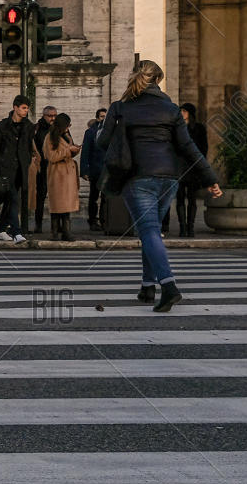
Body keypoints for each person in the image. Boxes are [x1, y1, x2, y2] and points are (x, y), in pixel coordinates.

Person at [94, 60, 223, 312]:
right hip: (169, 179)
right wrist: (210, 179)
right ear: (158, 80)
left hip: (138, 177)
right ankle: (147, 286)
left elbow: (103, 142)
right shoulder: (171, 109)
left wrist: (104, 131)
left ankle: (169, 286)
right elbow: (188, 147)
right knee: (149, 232)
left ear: (134, 77)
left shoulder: (120, 107)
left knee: (150, 230)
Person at [0, 95, 32, 244]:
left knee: (10, 200)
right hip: (5, 169)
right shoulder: (2, 126)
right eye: (24, 108)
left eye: (27, 108)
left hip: (21, 169)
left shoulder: (28, 126)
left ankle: (1, 228)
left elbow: (29, 147)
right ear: (15, 107)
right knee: (13, 198)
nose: (26, 111)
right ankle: (16, 231)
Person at [44, 112, 82, 241]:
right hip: (57, 175)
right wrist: (68, 150)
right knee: (57, 205)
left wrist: (74, 151)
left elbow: (66, 154)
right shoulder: (50, 137)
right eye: (67, 125)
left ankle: (66, 231)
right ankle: (55, 232)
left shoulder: (66, 136)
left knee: (66, 206)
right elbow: (52, 156)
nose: (69, 127)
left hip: (67, 174)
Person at [176, 103, 210, 237]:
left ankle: (190, 227)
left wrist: (200, 165)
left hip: (193, 168)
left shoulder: (199, 128)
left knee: (192, 199)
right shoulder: (177, 127)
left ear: (190, 113)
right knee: (179, 199)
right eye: (181, 111)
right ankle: (182, 227)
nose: (182, 113)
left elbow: (204, 148)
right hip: (179, 167)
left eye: (184, 111)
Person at [80, 107, 107, 231]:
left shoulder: (110, 131)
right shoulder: (90, 132)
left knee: (106, 198)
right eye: (102, 116)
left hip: (107, 170)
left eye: (106, 117)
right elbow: (85, 152)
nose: (104, 119)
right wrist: (84, 170)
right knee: (94, 197)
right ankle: (92, 221)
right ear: (97, 118)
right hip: (95, 169)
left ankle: (104, 220)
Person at [32, 105, 57, 232]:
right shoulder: (37, 128)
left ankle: (55, 226)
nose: (52, 118)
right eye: (50, 115)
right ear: (44, 115)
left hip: (55, 167)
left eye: (54, 115)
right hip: (42, 167)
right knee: (40, 197)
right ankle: (38, 224)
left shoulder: (58, 128)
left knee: (55, 197)